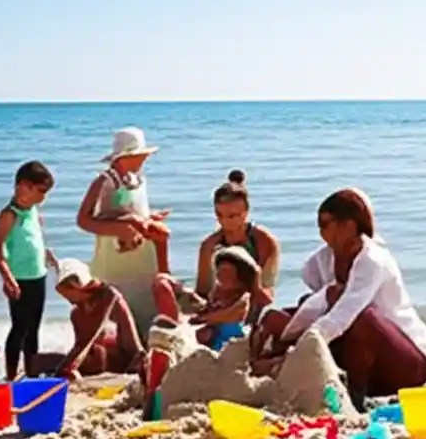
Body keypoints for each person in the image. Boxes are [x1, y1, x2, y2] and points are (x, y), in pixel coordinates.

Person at [250, 188, 426, 410]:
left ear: (349, 225)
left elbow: (344, 314)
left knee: (360, 318)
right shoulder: (322, 260)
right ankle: (267, 372)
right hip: (366, 363)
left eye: (326, 225)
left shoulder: (373, 260)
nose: (321, 233)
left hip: (406, 364)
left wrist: (305, 342)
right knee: (285, 314)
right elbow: (317, 300)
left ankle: (356, 400)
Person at [76, 126, 171, 338]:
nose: (143, 160)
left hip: (140, 254)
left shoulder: (138, 180)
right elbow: (83, 220)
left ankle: (145, 342)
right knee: (117, 304)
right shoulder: (105, 181)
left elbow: (136, 210)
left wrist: (149, 218)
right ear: (123, 158)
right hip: (114, 254)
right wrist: (121, 226)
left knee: (144, 302)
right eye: (139, 156)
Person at [0, 160, 54, 380]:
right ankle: (11, 375)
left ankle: (31, 374)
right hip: (20, 279)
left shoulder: (33, 211)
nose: (44, 197)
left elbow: (34, 238)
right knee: (20, 328)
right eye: (41, 191)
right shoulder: (9, 215)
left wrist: (47, 254)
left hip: (38, 275)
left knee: (34, 328)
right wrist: (8, 278)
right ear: (24, 186)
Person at [32, 258, 145, 381]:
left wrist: (68, 367)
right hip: (94, 357)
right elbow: (79, 346)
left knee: (97, 352)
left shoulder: (109, 296)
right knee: (37, 361)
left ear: (80, 286)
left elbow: (90, 337)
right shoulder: (76, 313)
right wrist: (63, 368)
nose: (70, 302)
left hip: (126, 357)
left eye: (69, 296)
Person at [196, 169, 280, 317]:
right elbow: (203, 291)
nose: (225, 221)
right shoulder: (209, 246)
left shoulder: (264, 241)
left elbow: (266, 287)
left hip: (253, 304)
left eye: (232, 216)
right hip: (219, 305)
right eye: (220, 215)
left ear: (246, 212)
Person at [152, 246, 257, 351]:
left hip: (225, 344)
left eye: (226, 272)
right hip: (207, 334)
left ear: (240, 279)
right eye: (219, 271)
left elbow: (225, 314)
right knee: (162, 283)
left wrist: (201, 319)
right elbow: (204, 308)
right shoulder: (216, 295)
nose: (221, 275)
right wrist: (184, 292)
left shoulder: (242, 299)